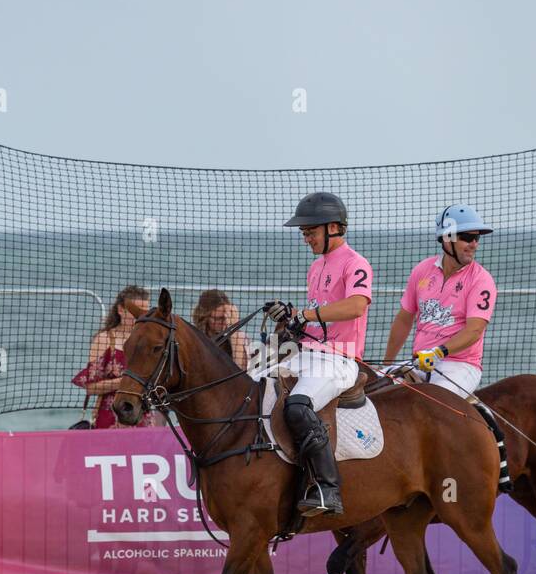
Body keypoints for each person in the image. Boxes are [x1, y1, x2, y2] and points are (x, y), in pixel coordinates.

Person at [260, 191, 373, 517]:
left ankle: (327, 488)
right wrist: (290, 315)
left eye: (310, 231)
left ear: (334, 227)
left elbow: (355, 306)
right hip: (309, 353)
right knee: (254, 384)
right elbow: (316, 314)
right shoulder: (316, 267)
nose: (306, 238)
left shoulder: (356, 263)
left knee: (297, 406)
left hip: (340, 360)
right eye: (304, 233)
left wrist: (307, 316)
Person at [384, 204, 498, 396]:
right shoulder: (422, 270)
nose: (474, 244)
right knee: (373, 392)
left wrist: (438, 352)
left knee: (434, 402)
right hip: (420, 361)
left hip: (460, 365)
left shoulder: (482, 280)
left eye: (476, 238)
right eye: (467, 238)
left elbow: (475, 330)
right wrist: (386, 365)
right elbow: (404, 319)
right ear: (447, 238)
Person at [72, 285, 162, 429]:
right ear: (121, 310)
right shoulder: (105, 339)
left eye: (145, 310)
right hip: (112, 418)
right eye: (135, 310)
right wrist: (126, 382)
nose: (141, 315)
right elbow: (90, 387)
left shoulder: (150, 340)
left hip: (143, 417)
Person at [192, 290, 250, 370]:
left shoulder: (239, 338)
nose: (225, 322)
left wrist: (234, 331)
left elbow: (241, 372)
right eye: (218, 319)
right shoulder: (195, 338)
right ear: (205, 317)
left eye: (226, 317)